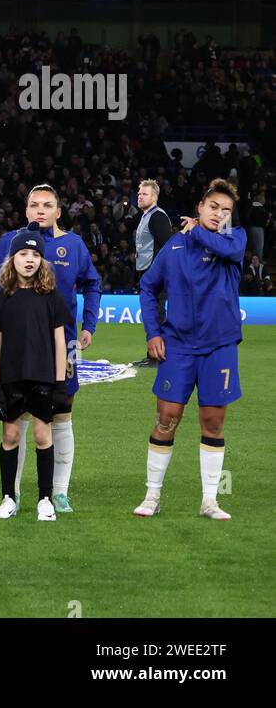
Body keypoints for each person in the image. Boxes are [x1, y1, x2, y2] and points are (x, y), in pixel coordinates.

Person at [0, 184, 101, 514]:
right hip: (19, 343)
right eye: (34, 205)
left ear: (58, 211)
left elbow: (93, 284)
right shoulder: (10, 242)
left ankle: (58, 492)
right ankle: (13, 493)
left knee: (60, 410)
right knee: (14, 417)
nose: (40, 210)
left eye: (48, 205)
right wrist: (0, 316)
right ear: (26, 210)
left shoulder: (73, 244)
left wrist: (88, 325)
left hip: (64, 341)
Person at [134, 180, 245, 520]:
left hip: (219, 347)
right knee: (166, 419)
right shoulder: (174, 248)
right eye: (213, 207)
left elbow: (227, 250)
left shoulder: (235, 239)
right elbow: (147, 286)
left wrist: (197, 231)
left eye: (226, 211)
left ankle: (210, 500)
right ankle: (152, 496)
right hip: (178, 347)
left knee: (212, 422)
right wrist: (153, 333)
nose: (220, 214)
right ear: (199, 206)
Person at [0, 224, 71, 522]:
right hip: (10, 378)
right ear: (13, 259)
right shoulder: (2, 299)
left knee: (41, 434)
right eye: (23, 253)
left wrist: (60, 384)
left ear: (42, 261)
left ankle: (45, 499)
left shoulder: (51, 297)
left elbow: (60, 342)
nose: (29, 259)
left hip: (43, 378)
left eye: (35, 254)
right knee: (10, 435)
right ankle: (8, 497)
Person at [132, 180, 173, 367]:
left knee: (156, 312)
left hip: (155, 273)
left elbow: (167, 247)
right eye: (139, 193)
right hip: (147, 271)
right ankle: (152, 355)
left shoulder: (157, 217)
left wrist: (158, 272)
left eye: (144, 194)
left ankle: (158, 356)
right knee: (152, 313)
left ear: (154, 197)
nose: (140, 196)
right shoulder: (147, 216)